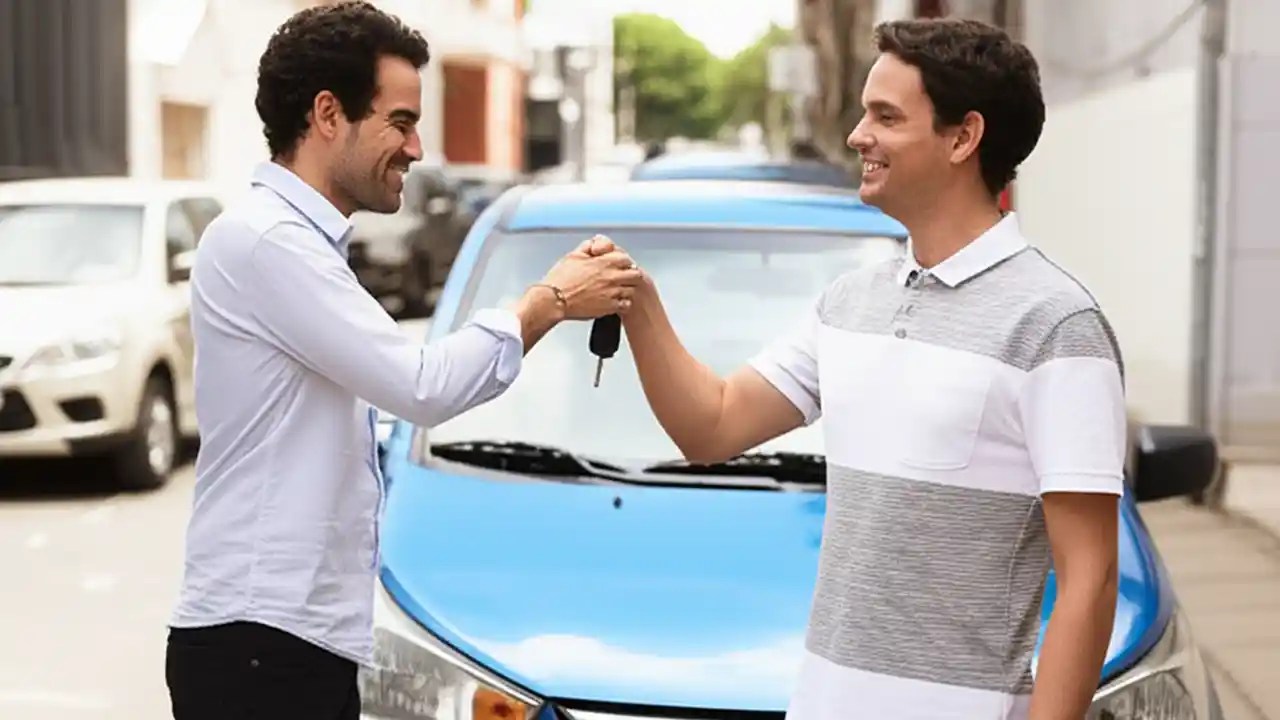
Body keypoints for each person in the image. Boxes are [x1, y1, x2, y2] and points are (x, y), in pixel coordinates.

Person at [591, 17, 1125, 720]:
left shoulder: (1056, 326)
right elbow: (711, 425)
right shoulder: (849, 303)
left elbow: (1090, 578)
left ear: (963, 137)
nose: (856, 136)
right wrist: (639, 304)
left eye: (885, 116)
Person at [164, 3, 642, 718]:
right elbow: (421, 385)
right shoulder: (268, 242)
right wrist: (551, 300)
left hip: (284, 642)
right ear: (329, 114)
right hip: (260, 645)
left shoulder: (296, 242)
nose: (416, 149)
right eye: (400, 121)